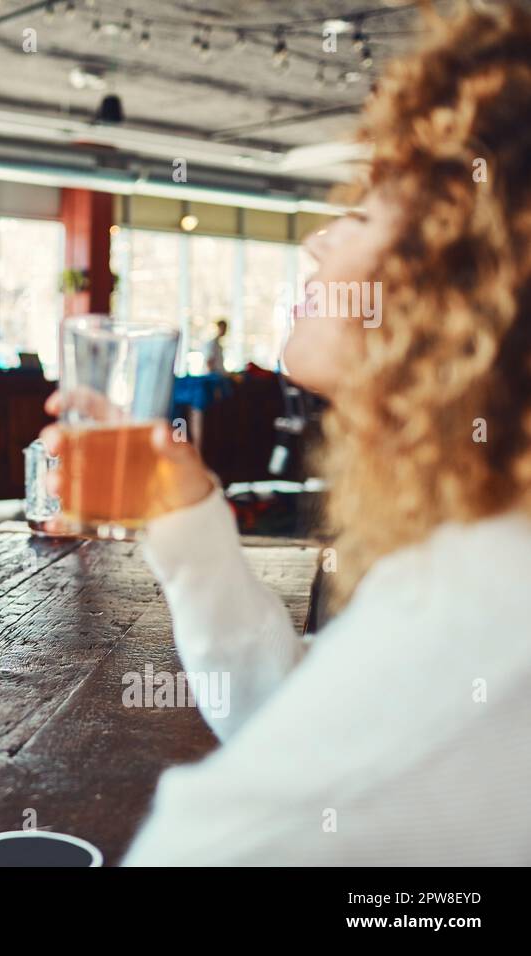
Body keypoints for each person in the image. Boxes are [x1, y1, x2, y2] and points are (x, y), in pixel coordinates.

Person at [46, 1, 531, 865]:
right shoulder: (481, 545)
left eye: (367, 205)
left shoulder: (481, 609)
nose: (317, 243)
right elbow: (304, 723)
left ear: (462, 278)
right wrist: (188, 519)